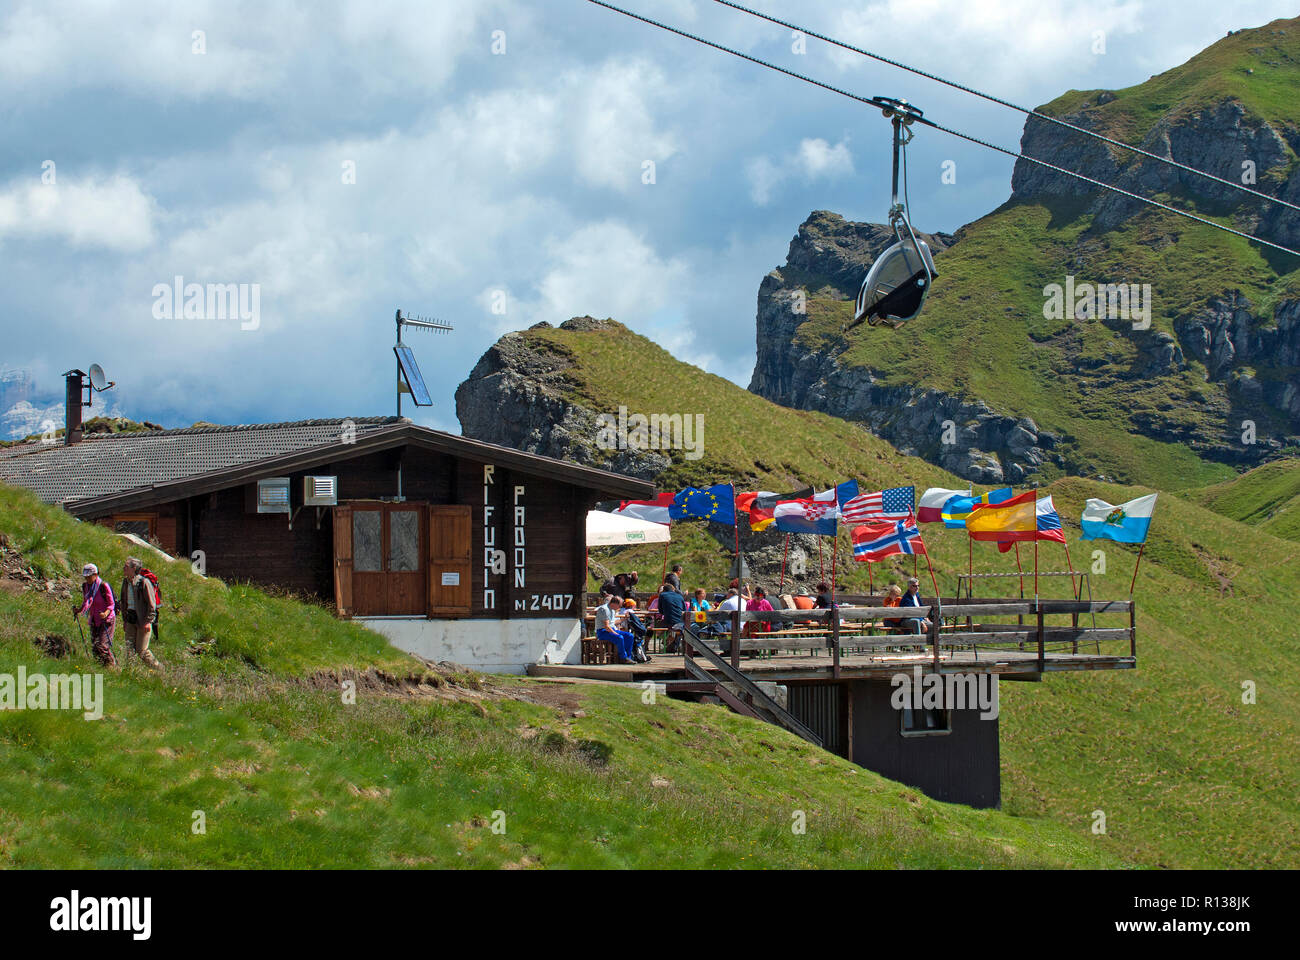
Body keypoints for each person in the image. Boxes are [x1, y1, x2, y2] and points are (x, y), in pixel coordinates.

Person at [117, 557, 164, 671]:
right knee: (129, 649)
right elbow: (123, 602)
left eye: (126, 566)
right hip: (130, 619)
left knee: (142, 651)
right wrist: (125, 620)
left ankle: (160, 670)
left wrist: (148, 622)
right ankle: (130, 673)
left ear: (134, 568)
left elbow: (151, 605)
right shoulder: (125, 582)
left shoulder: (144, 582)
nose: (123, 568)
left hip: (143, 621)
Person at [73, 563, 116, 667]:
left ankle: (111, 667)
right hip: (94, 620)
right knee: (95, 646)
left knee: (102, 646)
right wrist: (78, 610)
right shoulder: (86, 587)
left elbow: (111, 604)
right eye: (85, 577)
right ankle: (99, 666)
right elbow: (86, 602)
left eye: (89, 576)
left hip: (107, 620)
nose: (87, 579)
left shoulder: (103, 586)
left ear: (96, 575)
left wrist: (105, 613)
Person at [595, 593, 640, 664]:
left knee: (630, 636)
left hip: (611, 629)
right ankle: (623, 658)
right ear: (614, 604)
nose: (620, 607)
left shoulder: (612, 610)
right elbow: (606, 626)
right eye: (619, 605)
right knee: (619, 638)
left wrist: (624, 619)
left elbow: (613, 623)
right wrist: (615, 633)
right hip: (602, 632)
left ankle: (629, 657)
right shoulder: (604, 609)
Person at [657, 582, 686, 653]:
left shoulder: (662, 595)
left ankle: (668, 645)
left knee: (657, 625)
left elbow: (660, 610)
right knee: (680, 630)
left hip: (669, 621)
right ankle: (673, 645)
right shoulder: (680, 596)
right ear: (673, 589)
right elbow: (684, 609)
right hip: (681, 621)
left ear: (664, 590)